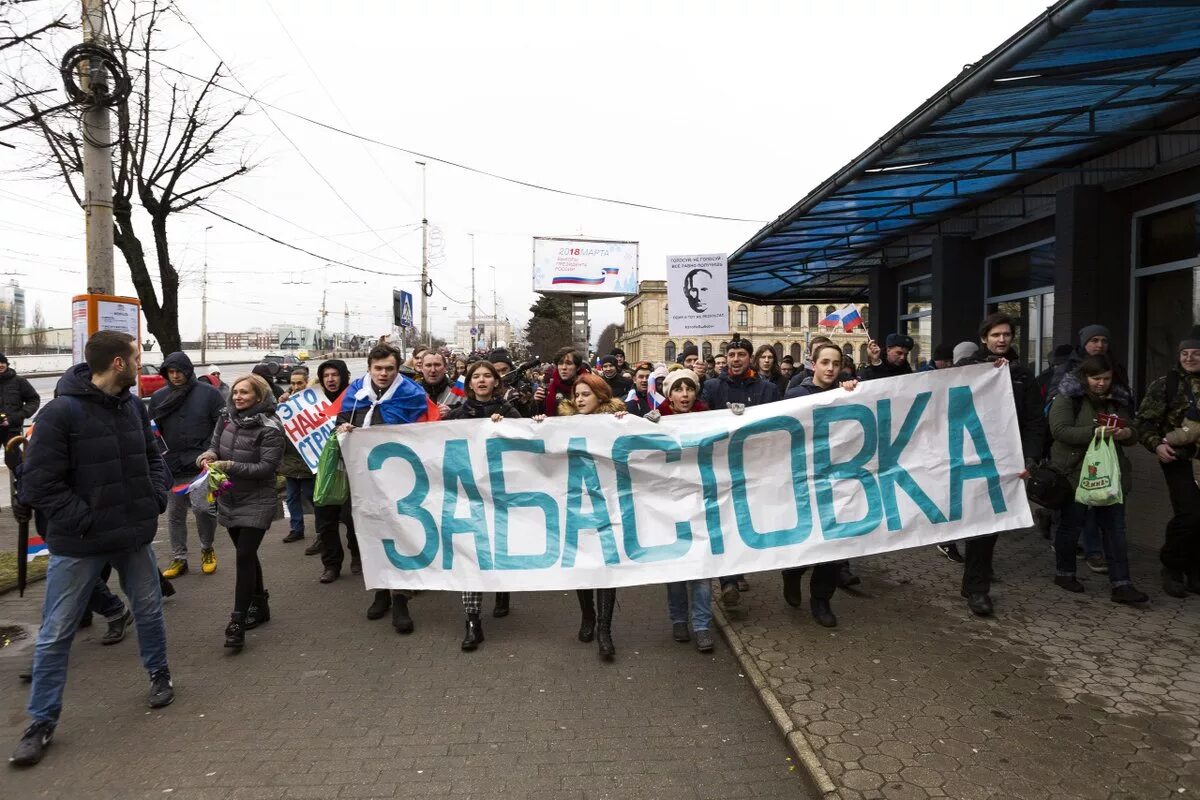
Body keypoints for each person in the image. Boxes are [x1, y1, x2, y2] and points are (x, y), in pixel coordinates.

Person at [12, 332, 174, 767]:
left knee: (149, 609)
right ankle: (41, 722)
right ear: (119, 363)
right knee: (56, 633)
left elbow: (155, 457)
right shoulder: (59, 413)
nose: (143, 365)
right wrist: (86, 520)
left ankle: (160, 676)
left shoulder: (134, 408)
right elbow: (38, 483)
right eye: (138, 358)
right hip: (80, 543)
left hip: (133, 535)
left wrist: (155, 498)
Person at [338, 345, 437, 631]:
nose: (383, 374)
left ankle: (401, 600)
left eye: (389, 369)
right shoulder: (355, 391)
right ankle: (380, 592)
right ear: (369, 368)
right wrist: (344, 429)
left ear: (398, 369)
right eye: (378, 368)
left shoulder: (413, 395)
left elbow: (424, 434)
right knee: (370, 531)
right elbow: (341, 421)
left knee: (399, 533)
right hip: (363, 477)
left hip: (400, 477)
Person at [956, 312, 1045, 616]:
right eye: (995, 335)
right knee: (973, 521)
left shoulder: (1022, 374)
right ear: (984, 338)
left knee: (989, 524)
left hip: (1005, 459)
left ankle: (977, 588)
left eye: (1006, 334)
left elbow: (1035, 420)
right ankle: (974, 581)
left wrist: (1030, 458)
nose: (1002, 340)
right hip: (969, 456)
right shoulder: (967, 369)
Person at [1048, 354, 1148, 604]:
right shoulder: (1068, 397)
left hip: (1110, 476)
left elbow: (1134, 431)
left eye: (1106, 378)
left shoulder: (1119, 399)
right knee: (1072, 525)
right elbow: (1060, 431)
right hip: (1075, 473)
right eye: (1095, 378)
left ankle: (1121, 584)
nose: (1101, 384)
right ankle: (1065, 572)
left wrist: (1126, 433)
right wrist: (1094, 431)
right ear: (1085, 377)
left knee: (1115, 529)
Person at [197, 373, 285, 649]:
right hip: (228, 496)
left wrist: (229, 466)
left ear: (259, 397)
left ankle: (237, 621)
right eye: (236, 392)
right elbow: (214, 446)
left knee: (244, 555)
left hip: (258, 499)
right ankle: (260, 605)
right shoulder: (226, 417)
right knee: (246, 555)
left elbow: (267, 468)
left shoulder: (271, 427)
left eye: (245, 393)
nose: (238, 397)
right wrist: (208, 457)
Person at [781, 342, 861, 626]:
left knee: (832, 544)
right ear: (813, 364)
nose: (830, 368)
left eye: (835, 364)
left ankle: (821, 599)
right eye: (824, 362)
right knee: (805, 539)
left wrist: (854, 390)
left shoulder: (847, 394)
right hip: (803, 480)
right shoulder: (794, 395)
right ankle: (792, 574)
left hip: (837, 481)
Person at [446, 361, 522, 649]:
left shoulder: (509, 411)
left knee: (499, 547)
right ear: (469, 383)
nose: (481, 380)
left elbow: (528, 441)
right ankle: (472, 621)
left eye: (487, 376)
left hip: (500, 494)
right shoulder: (455, 416)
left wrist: (523, 425)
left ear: (495, 381)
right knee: (471, 555)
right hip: (468, 495)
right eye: (475, 376)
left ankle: (502, 591)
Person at [641, 370, 716, 651]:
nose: (684, 395)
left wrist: (737, 418)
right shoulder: (654, 422)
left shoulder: (710, 418)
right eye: (678, 389)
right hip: (668, 506)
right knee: (676, 568)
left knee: (702, 569)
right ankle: (678, 620)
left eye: (689, 389)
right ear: (668, 394)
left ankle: (702, 625)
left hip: (700, 501)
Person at [702, 337, 780, 605]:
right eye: (731, 354)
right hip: (721, 466)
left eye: (741, 355)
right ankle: (728, 580)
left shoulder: (767, 389)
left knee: (744, 520)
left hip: (753, 467)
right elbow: (696, 418)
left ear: (750, 358)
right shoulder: (712, 387)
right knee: (725, 521)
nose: (735, 359)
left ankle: (739, 570)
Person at [555, 373, 626, 659]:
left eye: (586, 394)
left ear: (600, 397)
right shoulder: (561, 425)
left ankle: (604, 630)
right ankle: (588, 615)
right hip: (575, 505)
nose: (580, 399)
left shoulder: (617, 423)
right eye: (577, 394)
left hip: (607, 505)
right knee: (582, 566)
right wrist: (537, 427)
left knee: (606, 567)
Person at [1135, 325, 1200, 598]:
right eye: (1185, 353)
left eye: (1196, 353)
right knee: (1191, 515)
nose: (1189, 358)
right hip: (1178, 460)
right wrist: (1156, 446)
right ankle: (1171, 566)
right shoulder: (1166, 384)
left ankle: (1194, 571)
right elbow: (1144, 423)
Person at [149, 352, 225, 578]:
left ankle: (207, 548)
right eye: (170, 372)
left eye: (179, 371)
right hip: (172, 466)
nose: (175, 376)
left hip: (201, 464)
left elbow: (221, 425)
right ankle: (179, 557)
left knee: (203, 508)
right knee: (174, 514)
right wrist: (159, 454)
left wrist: (211, 451)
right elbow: (153, 429)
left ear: (188, 370)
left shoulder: (209, 394)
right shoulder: (159, 397)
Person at [311, 359, 360, 580]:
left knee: (352, 517)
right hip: (323, 471)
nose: (330, 379)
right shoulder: (311, 405)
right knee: (325, 520)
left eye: (335, 375)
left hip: (351, 469)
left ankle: (358, 555)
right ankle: (331, 565)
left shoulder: (356, 401)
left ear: (344, 376)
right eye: (326, 376)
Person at [278, 368, 316, 545]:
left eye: (299, 383)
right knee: (292, 497)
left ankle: (322, 530)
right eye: (292, 383)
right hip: (291, 461)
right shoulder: (285, 405)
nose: (295, 386)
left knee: (311, 496)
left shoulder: (314, 403)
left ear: (306, 382)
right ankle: (296, 529)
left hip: (309, 461)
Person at [0, 352, 40, 469]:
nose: (0, 365)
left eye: (2, 362)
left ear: (6, 364)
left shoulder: (19, 381)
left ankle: (22, 485)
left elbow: (34, 399)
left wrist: (19, 416)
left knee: (13, 461)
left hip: (12, 428)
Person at [543, 346, 588, 417]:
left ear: (578, 367)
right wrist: (537, 402)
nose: (563, 367)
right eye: (560, 363)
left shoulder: (590, 386)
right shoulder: (548, 389)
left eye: (569, 363)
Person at [418, 350, 463, 418]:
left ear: (445, 367)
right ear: (421, 368)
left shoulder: (459, 390)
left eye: (437, 365)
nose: (433, 370)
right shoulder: (413, 390)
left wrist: (452, 413)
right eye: (428, 365)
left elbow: (470, 418)